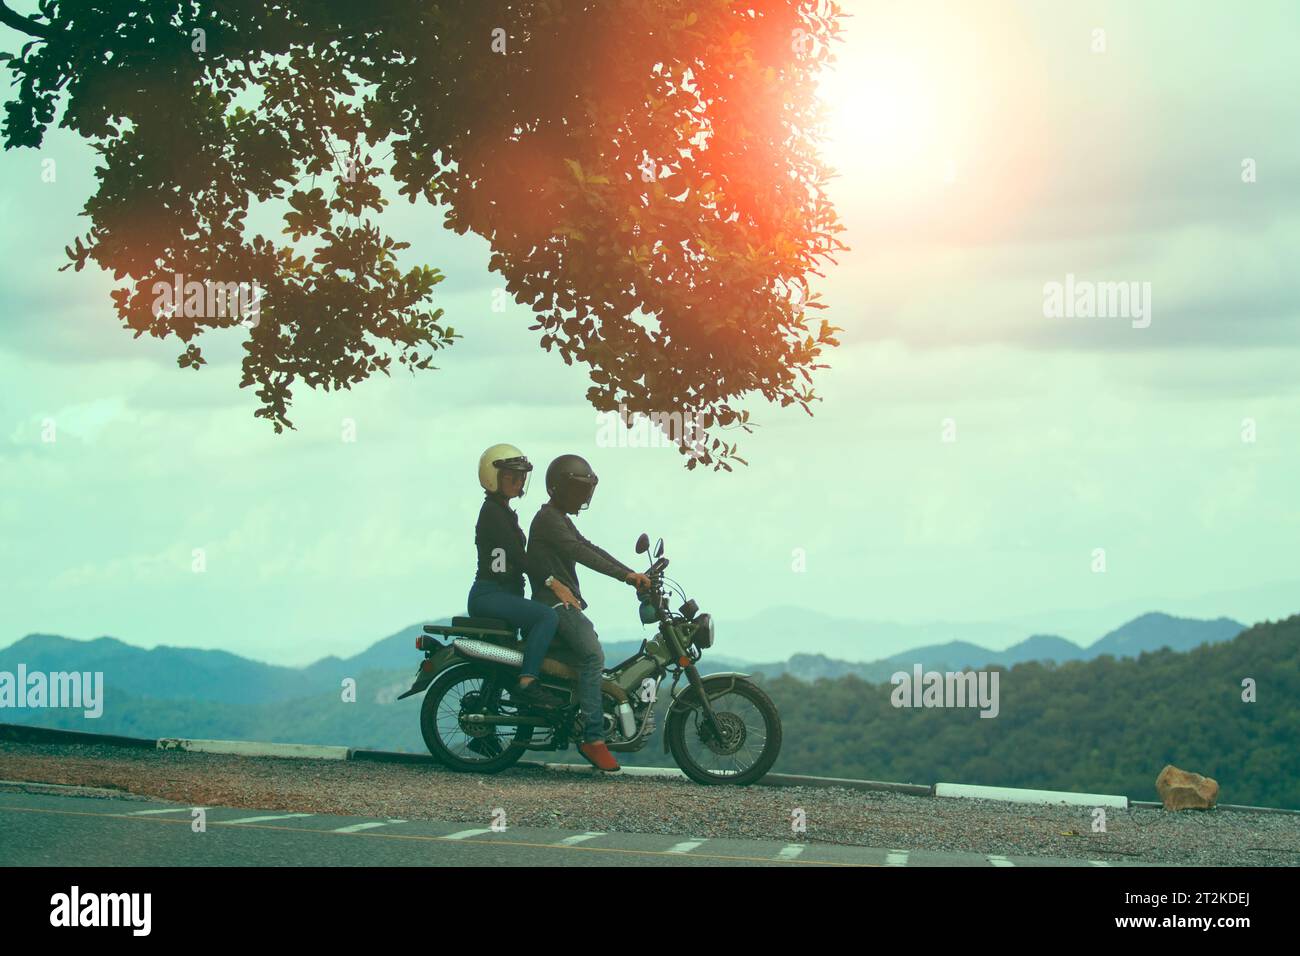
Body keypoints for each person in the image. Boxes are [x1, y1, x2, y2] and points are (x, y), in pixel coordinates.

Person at [526, 454, 651, 773]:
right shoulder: (548, 520)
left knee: (586, 657)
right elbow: (579, 553)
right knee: (593, 656)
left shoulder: (559, 518)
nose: (584, 498)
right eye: (580, 491)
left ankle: (575, 717)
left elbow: (588, 546)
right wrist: (626, 576)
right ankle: (592, 737)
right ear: (562, 489)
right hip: (551, 602)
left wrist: (630, 572)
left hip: (561, 602)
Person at [467, 444, 566, 714]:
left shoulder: (503, 512)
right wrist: (552, 583)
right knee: (547, 617)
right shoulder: (492, 512)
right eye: (511, 476)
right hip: (491, 594)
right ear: (492, 477)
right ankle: (528, 683)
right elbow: (518, 557)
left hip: (505, 595)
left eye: (521, 477)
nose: (518, 482)